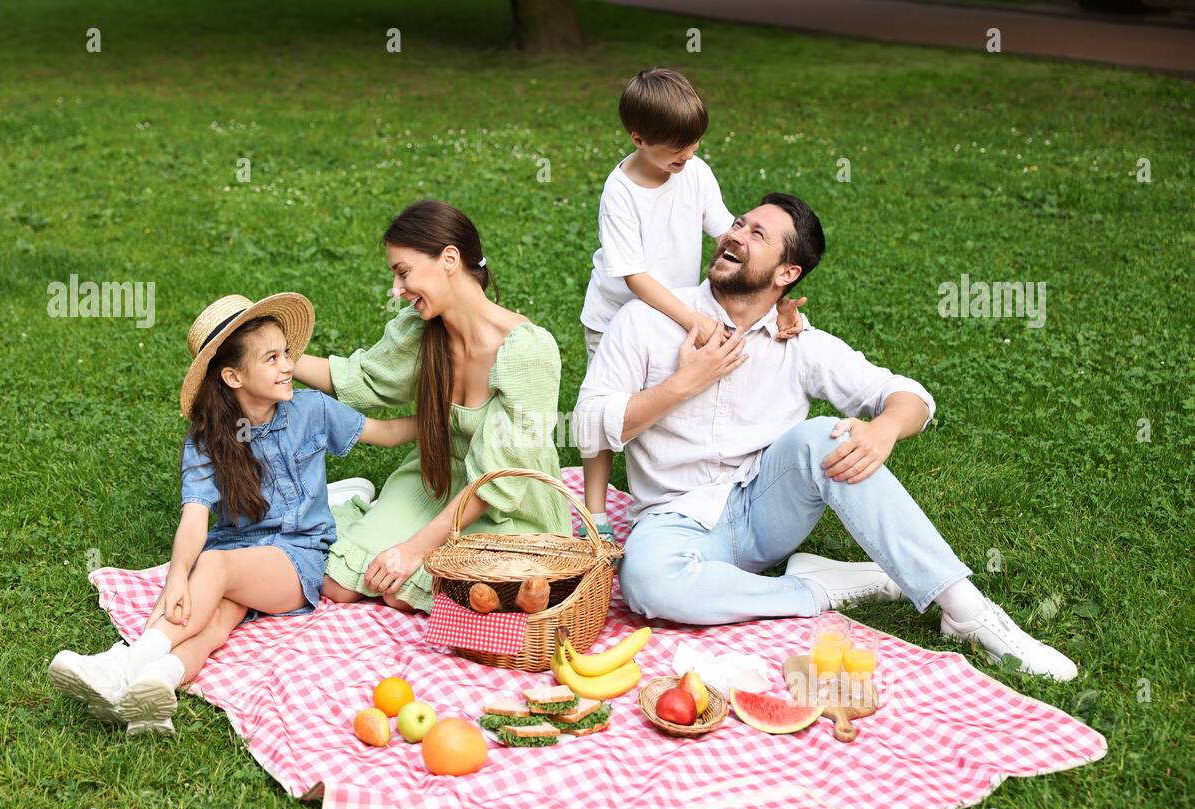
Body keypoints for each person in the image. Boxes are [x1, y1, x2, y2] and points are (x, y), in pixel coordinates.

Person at [574, 193, 1078, 681]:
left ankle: (966, 609)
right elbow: (588, 422)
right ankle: (817, 587)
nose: (735, 235)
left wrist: (883, 430)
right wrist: (685, 383)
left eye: (757, 234)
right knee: (646, 584)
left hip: (764, 511)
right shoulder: (645, 320)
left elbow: (912, 397)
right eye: (738, 224)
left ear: (786, 274)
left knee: (828, 435)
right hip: (673, 519)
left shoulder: (800, 343)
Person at [48, 293, 417, 734]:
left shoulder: (312, 410)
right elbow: (194, 520)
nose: (288, 366)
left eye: (286, 354)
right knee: (215, 619)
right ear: (233, 376)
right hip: (238, 553)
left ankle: (122, 663)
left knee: (214, 567)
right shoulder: (208, 440)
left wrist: (448, 419)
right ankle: (155, 686)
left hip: (296, 555)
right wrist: (177, 576)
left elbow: (387, 433)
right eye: (272, 358)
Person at [293, 200, 573, 613]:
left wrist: (413, 550)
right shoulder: (423, 329)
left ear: (449, 259)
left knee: (409, 590)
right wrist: (277, 357)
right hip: (436, 479)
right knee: (340, 583)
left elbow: (496, 479)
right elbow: (363, 380)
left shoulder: (527, 352)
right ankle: (353, 510)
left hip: (502, 501)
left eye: (403, 272)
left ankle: (390, 531)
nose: (397, 289)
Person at [577, 67, 802, 543]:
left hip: (676, 313)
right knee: (606, 412)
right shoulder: (620, 192)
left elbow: (728, 235)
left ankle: (675, 495)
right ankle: (594, 512)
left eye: (695, 143)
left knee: (670, 398)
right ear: (639, 139)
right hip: (616, 317)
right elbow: (635, 277)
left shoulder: (694, 171)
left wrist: (773, 298)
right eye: (677, 148)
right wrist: (693, 317)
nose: (688, 154)